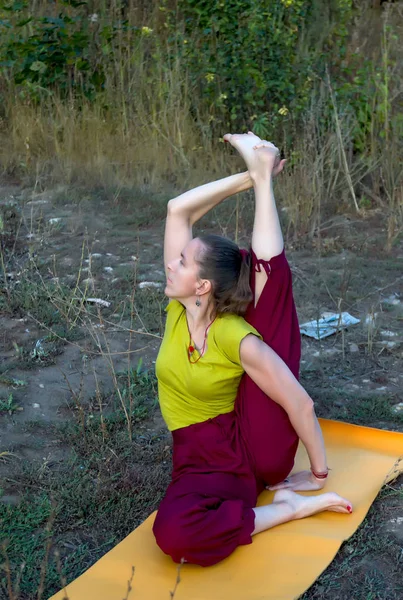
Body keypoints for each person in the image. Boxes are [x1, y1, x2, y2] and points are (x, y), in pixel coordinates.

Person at [153, 132, 352, 567]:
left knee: (271, 304)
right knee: (172, 533)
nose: (171, 264)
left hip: (241, 455)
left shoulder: (234, 334)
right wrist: (251, 176)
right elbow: (177, 210)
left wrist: (318, 475)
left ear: (202, 285)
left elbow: (299, 400)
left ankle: (287, 508)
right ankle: (265, 177)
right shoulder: (177, 308)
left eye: (182, 262)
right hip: (193, 460)